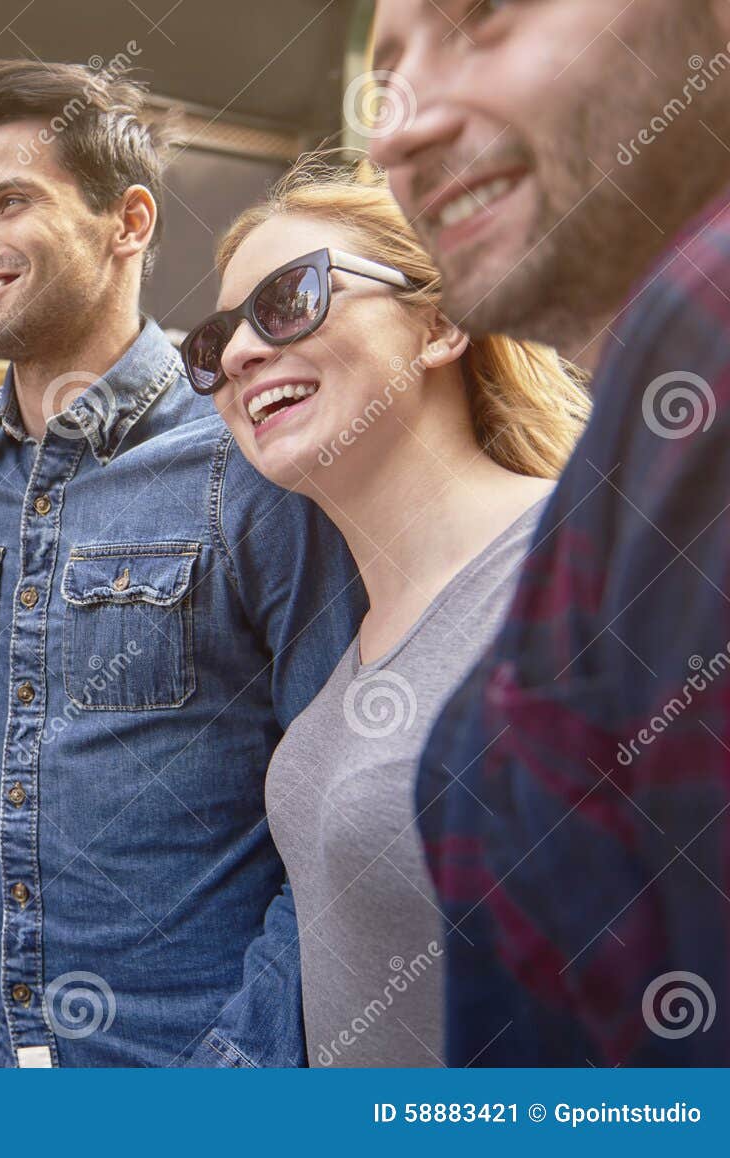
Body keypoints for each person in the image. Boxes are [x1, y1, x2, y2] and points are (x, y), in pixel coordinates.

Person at [0, 60, 365, 1068]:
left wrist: (230, 1076)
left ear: (127, 222)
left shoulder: (254, 460)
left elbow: (332, 830)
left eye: (9, 202)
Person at [369, 0, 730, 1063]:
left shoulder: (705, 318)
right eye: (388, 72)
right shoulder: (645, 403)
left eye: (480, 17)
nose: (396, 129)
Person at [196, 157, 588, 1065]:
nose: (240, 353)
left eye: (290, 299)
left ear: (444, 322)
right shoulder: (351, 645)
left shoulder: (586, 574)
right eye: (211, 344)